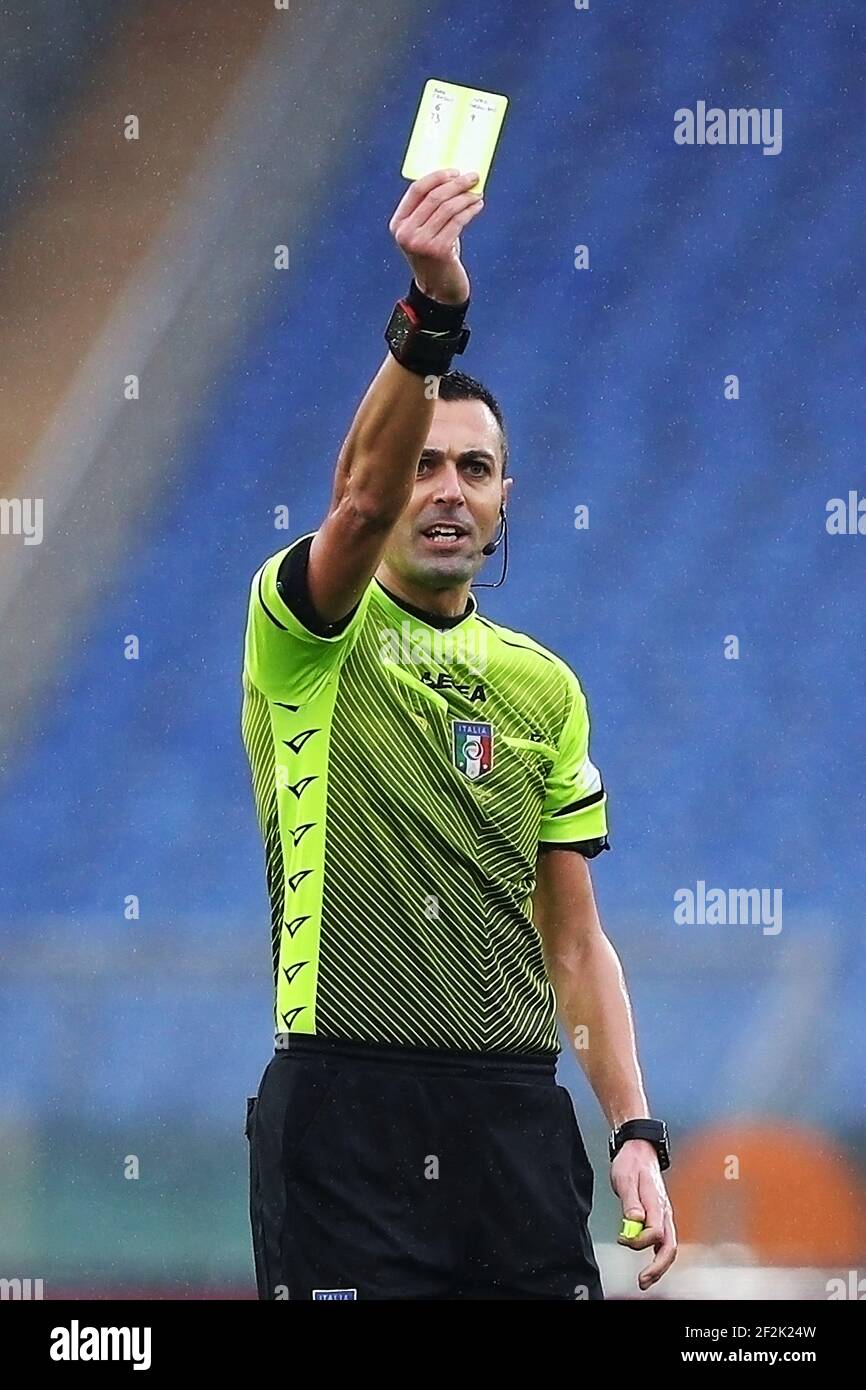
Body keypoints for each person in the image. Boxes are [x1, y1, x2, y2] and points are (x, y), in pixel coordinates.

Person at [241, 168, 677, 1300]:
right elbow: (353, 504)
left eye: (472, 469)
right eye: (424, 464)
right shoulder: (305, 633)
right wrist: (428, 317)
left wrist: (632, 1126)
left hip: (513, 1126)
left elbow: (572, 942)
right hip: (345, 1115)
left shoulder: (544, 690)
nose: (446, 489)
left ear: (503, 501)